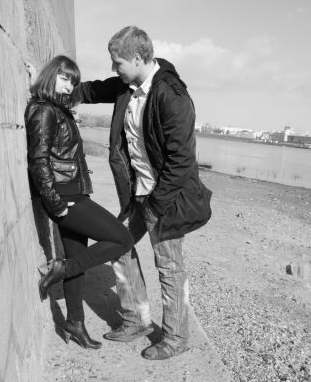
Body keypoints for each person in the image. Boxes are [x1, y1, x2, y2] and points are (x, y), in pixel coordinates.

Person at [70, 26, 212, 360]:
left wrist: (156, 205)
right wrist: (57, 90)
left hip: (167, 199)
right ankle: (137, 320)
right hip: (138, 194)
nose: (113, 67)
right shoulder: (127, 85)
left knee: (169, 267)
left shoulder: (171, 96)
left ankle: (176, 338)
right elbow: (91, 90)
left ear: (137, 57)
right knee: (116, 244)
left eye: (117, 62)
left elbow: (181, 161)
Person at [25, 55, 134, 350]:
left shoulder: (55, 108)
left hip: (72, 192)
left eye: (72, 81)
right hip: (65, 197)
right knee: (122, 238)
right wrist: (54, 202)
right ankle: (60, 269)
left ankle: (75, 322)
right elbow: (38, 160)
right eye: (63, 78)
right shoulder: (44, 110)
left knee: (77, 259)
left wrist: (36, 85)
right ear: (51, 76)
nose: (68, 85)